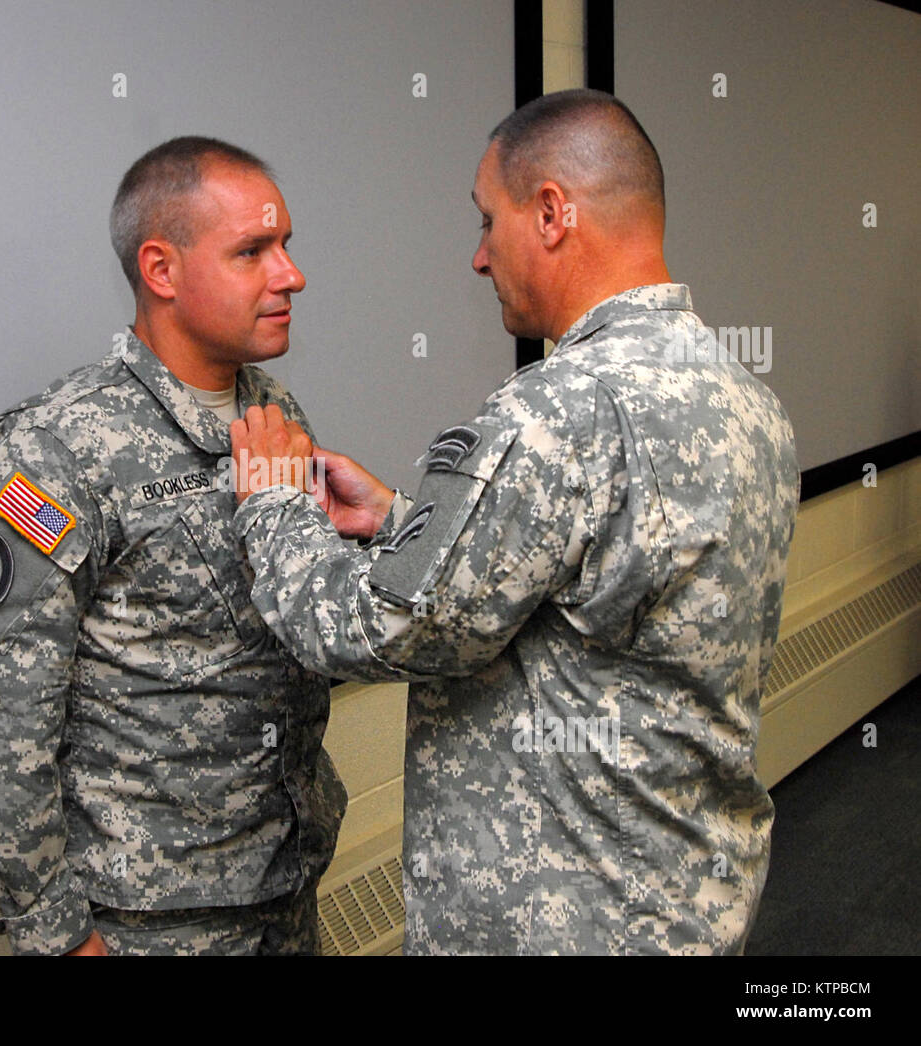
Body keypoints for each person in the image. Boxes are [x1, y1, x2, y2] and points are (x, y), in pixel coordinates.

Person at [230, 89, 799, 955]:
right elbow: (584, 578)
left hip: (565, 920)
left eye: (487, 222)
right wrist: (402, 520)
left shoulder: (561, 410)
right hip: (684, 898)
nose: (478, 257)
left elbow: (387, 629)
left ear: (551, 213)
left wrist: (272, 503)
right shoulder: (744, 397)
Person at [0, 136, 346, 956]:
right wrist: (57, 935)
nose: (289, 274)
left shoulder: (269, 411)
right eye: (253, 251)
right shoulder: (55, 450)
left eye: (287, 246)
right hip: (146, 927)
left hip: (284, 888)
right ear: (161, 271)